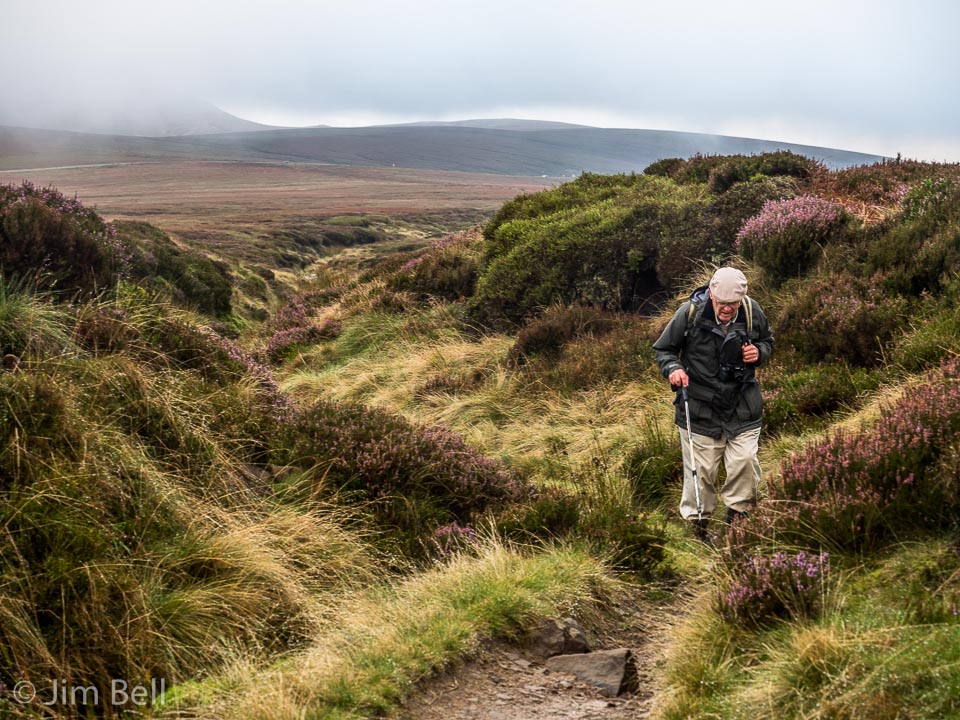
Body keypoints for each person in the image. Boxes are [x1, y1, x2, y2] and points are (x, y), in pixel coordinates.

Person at [652, 267, 774, 543]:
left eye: (733, 304)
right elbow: (663, 349)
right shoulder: (689, 313)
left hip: (742, 405)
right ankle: (700, 532)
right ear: (711, 294)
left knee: (744, 462)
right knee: (701, 472)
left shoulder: (752, 311)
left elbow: (767, 341)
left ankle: (737, 524)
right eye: (721, 304)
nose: (727, 310)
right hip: (699, 408)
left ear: (741, 299)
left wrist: (759, 353)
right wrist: (673, 368)